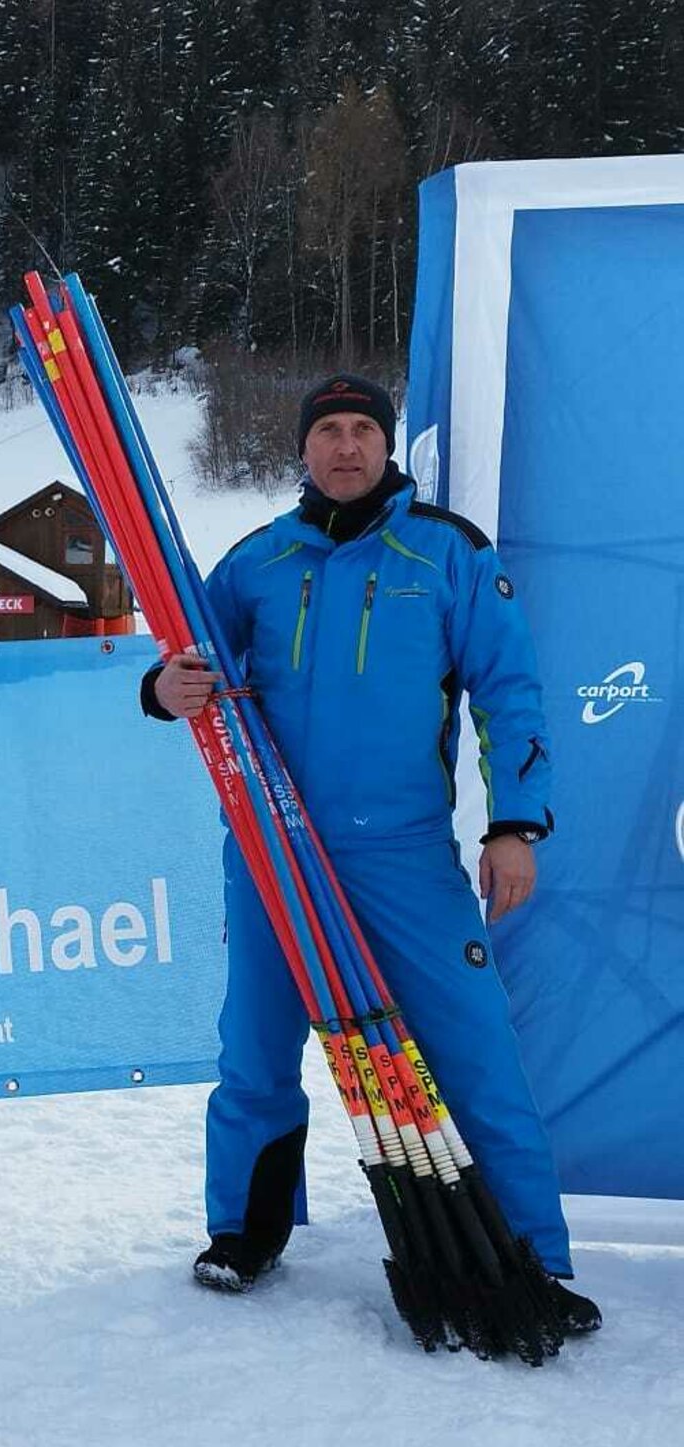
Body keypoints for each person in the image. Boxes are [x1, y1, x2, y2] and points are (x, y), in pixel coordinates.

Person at [145, 372, 599, 1331]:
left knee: (474, 1052)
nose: (345, 446)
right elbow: (185, 663)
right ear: (303, 450)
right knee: (256, 1051)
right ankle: (247, 1233)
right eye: (328, 431)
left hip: (400, 854)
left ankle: (532, 1256)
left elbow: (509, 690)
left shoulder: (446, 553)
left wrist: (515, 826)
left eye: (362, 430)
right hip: (272, 846)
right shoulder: (255, 562)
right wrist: (163, 690)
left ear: (386, 447)